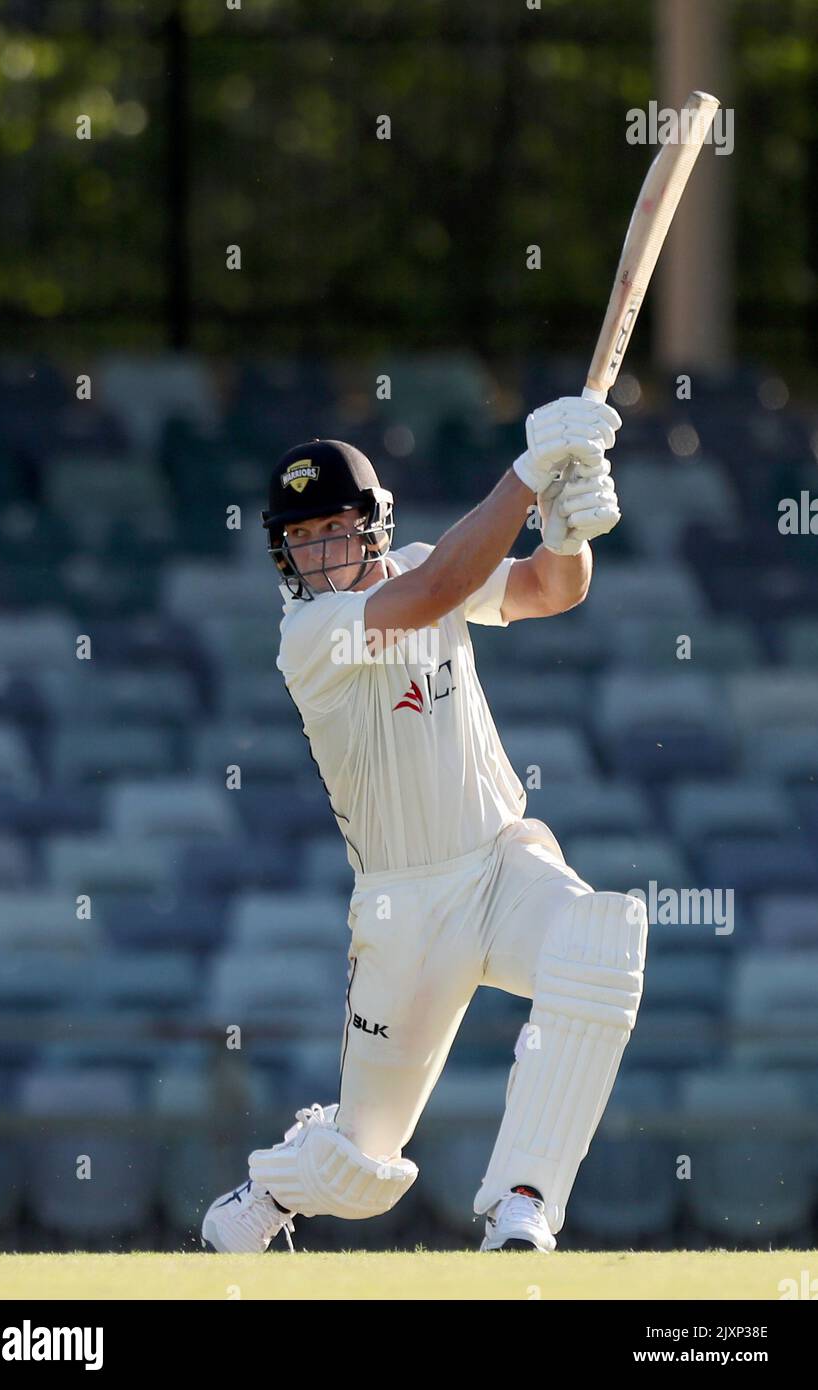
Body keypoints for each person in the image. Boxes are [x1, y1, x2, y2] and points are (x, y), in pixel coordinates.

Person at [202, 397, 648, 1254]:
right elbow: (438, 586)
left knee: (604, 937)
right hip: (406, 913)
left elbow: (552, 590)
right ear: (281, 553)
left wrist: (564, 532)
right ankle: (278, 1177)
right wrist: (526, 476)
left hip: (501, 862)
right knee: (364, 1176)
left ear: (374, 527)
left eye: (335, 529)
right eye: (301, 540)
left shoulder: (421, 563)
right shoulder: (311, 634)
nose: (320, 554)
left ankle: (523, 1203)